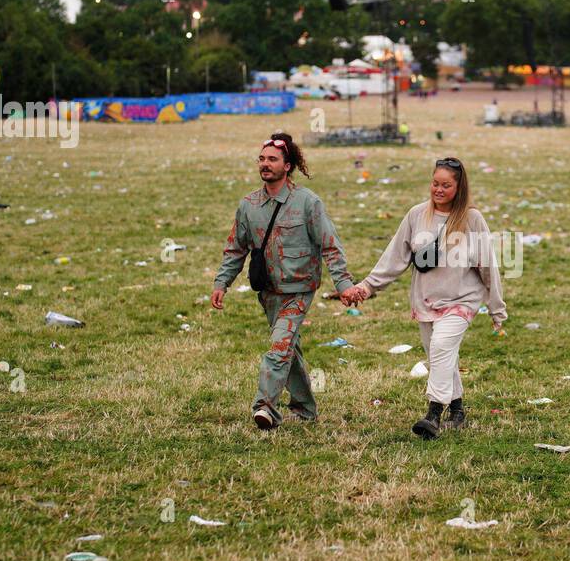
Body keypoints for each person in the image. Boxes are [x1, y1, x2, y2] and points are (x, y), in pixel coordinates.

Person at [342, 157, 506, 439]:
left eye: (446, 185)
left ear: (459, 187)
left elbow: (487, 265)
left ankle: (433, 413)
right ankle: (457, 410)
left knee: (442, 346)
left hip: (462, 300)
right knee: (440, 356)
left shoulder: (472, 219)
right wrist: (367, 287)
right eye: (435, 183)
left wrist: (496, 308)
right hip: (426, 300)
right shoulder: (417, 215)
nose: (438, 190)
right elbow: (395, 257)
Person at [211, 132, 356, 430]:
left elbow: (330, 244)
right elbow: (236, 248)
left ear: (287, 165)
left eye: (272, 159)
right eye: (262, 159)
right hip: (268, 292)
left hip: (299, 290)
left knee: (278, 347)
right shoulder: (248, 205)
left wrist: (343, 285)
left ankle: (265, 406)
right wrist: (221, 283)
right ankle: (304, 409)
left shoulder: (307, 203)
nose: (265, 164)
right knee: (289, 348)